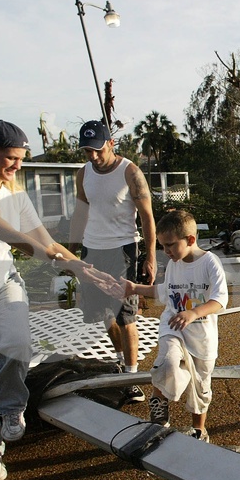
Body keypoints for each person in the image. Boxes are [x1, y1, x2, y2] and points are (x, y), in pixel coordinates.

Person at [0, 120, 116, 480]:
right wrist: (63, 263)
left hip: (2, 283)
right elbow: (10, 236)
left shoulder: (15, 192)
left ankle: (12, 406)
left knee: (17, 345)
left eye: (21, 159)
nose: (18, 166)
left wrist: (84, 269)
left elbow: (46, 241)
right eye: (12, 158)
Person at [118, 210, 227, 440]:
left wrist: (193, 313)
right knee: (166, 362)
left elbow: (220, 300)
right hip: (174, 327)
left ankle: (199, 429)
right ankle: (159, 410)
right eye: (162, 247)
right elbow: (164, 292)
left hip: (202, 336)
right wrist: (135, 288)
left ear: (190, 240)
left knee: (201, 387)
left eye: (170, 246)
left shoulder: (210, 263)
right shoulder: (174, 263)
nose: (166, 252)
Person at [69, 120, 156, 402]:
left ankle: (131, 378)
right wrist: (72, 254)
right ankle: (119, 359)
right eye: (87, 151)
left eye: (97, 150)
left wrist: (150, 256)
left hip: (122, 250)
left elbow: (146, 217)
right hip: (91, 251)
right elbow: (80, 214)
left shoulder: (130, 172)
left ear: (110, 143)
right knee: (104, 314)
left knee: (125, 315)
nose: (93, 156)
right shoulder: (83, 174)